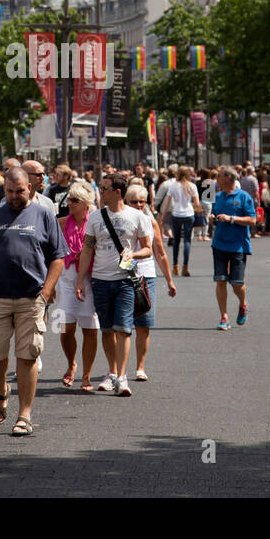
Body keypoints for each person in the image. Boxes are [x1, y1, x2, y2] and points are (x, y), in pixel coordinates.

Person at [0, 167, 65, 436]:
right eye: (9, 191)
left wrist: (46, 292)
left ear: (30, 187)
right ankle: (2, 388)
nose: (15, 196)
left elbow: (58, 257)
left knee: (27, 355)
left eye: (19, 191)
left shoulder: (44, 215)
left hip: (32, 297)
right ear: (4, 189)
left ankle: (24, 415)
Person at [77, 172, 151, 396]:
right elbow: (87, 249)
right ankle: (111, 372)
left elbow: (148, 248)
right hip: (100, 280)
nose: (101, 191)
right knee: (107, 330)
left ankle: (122, 377)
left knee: (124, 330)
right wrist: (81, 280)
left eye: (105, 187)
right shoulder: (95, 218)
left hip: (125, 281)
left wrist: (134, 255)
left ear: (117, 192)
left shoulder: (138, 217)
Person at [52, 180, 100, 390]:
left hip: (90, 280)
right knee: (65, 328)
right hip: (64, 281)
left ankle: (86, 374)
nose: (69, 203)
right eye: (69, 199)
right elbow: (50, 254)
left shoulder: (95, 222)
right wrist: (49, 283)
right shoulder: (61, 223)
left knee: (90, 329)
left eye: (75, 200)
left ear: (86, 203)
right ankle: (71, 363)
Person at [126, 183, 177, 380]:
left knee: (143, 324)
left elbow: (160, 254)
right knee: (120, 325)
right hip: (122, 275)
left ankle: (140, 367)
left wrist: (170, 281)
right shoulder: (119, 221)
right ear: (126, 202)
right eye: (134, 202)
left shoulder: (150, 222)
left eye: (142, 201)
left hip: (146, 276)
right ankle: (116, 369)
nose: (139, 205)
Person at [210, 166, 257, 330]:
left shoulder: (244, 197)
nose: (216, 180)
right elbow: (215, 215)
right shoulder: (218, 197)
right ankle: (224, 316)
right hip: (219, 243)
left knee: (237, 283)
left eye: (219, 177)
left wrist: (231, 218)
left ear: (229, 178)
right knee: (220, 280)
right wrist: (212, 218)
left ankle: (243, 304)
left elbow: (252, 220)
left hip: (238, 245)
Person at [160, 165, 200, 276]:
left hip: (176, 214)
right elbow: (196, 203)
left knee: (176, 241)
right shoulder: (192, 186)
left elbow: (167, 203)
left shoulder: (173, 186)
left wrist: (163, 216)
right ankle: (185, 267)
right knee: (187, 240)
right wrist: (199, 209)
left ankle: (175, 266)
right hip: (188, 213)